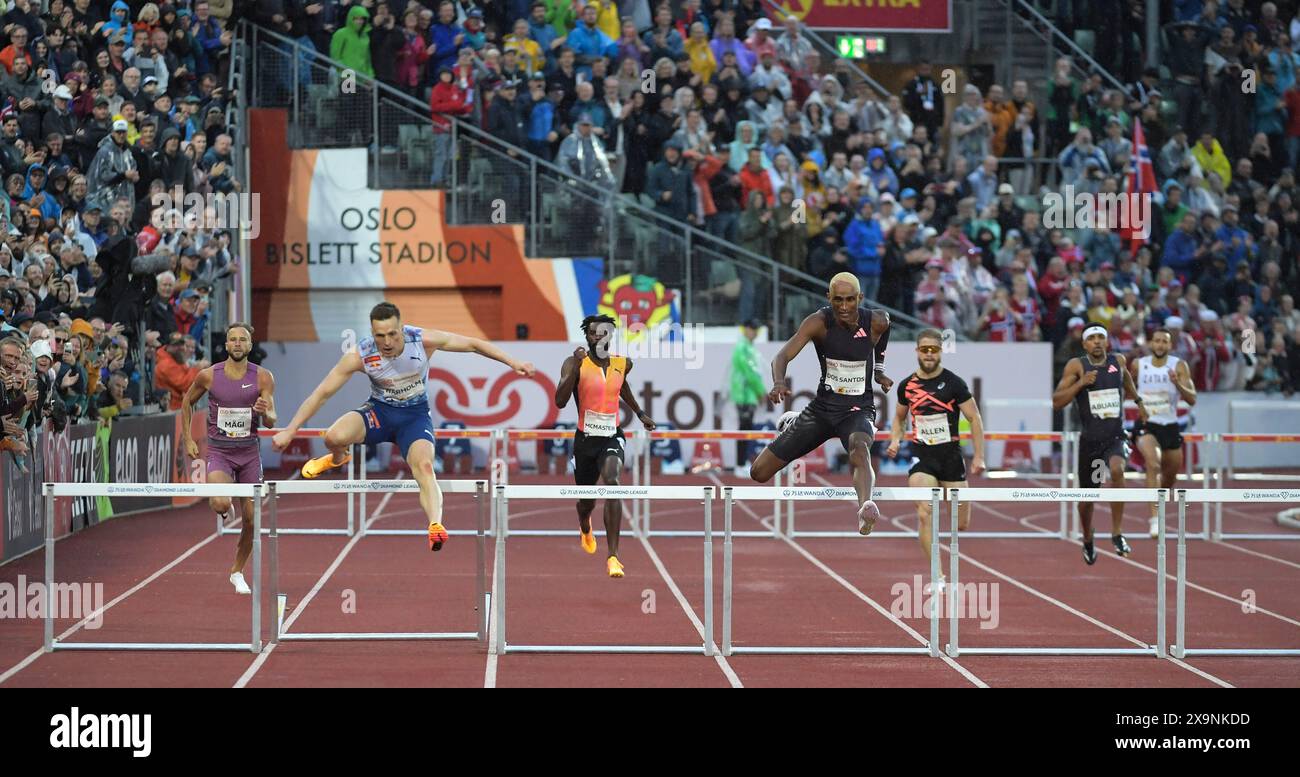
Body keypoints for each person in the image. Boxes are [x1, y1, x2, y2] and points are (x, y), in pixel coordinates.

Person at [271, 303, 535, 552]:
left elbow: (473, 344)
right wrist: (290, 430)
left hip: (414, 418)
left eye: (392, 334)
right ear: (372, 332)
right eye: (379, 335)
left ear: (402, 328)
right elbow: (322, 393)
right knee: (333, 436)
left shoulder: (422, 340)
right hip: (379, 412)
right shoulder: (361, 354)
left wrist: (514, 363)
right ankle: (338, 458)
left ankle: (435, 524)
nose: (386, 342)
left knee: (425, 467)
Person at [750, 272, 892, 534]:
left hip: (858, 410)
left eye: (851, 300)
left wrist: (879, 370)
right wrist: (779, 382)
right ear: (829, 297)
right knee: (758, 473)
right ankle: (794, 421)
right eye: (838, 300)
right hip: (822, 410)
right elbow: (781, 356)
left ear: (860, 298)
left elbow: (883, 336)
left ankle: (865, 508)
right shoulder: (818, 322)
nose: (845, 307)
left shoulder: (877, 321)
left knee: (859, 449)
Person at [553, 315, 656, 578]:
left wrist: (641, 413)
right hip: (585, 440)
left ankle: (613, 556)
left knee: (613, 482)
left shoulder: (624, 363)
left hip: (612, 435)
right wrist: (575, 367)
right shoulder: (574, 362)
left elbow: (623, 389)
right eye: (592, 333)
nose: (598, 337)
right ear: (586, 336)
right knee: (586, 501)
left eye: (603, 333)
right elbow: (560, 401)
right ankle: (585, 525)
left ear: (610, 335)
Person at [886, 329, 986, 592]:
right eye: (925, 349)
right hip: (922, 456)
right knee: (924, 513)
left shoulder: (954, 383)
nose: (929, 354)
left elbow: (974, 417)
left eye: (934, 349)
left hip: (951, 457)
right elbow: (899, 417)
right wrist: (896, 440)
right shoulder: (907, 385)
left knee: (961, 523)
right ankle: (938, 577)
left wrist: (979, 456)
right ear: (917, 351)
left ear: (940, 351)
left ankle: (942, 570)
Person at [180, 323, 275, 595]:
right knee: (220, 502)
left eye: (241, 340)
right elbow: (187, 402)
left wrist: (264, 411)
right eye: (232, 339)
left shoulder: (264, 377)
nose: (236, 344)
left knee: (252, 521)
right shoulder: (209, 376)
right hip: (220, 452)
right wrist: (187, 438)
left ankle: (236, 571)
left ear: (249, 345)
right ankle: (224, 506)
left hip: (248, 454)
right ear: (226, 345)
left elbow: (271, 420)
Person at [1052, 323, 1147, 564]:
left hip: (1115, 436)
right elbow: (1057, 402)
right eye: (1091, 338)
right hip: (1090, 442)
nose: (1096, 342)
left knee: (1117, 470)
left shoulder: (1118, 361)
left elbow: (1125, 378)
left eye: (1100, 338)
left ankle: (1116, 533)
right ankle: (1087, 536)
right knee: (1086, 501)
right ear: (1084, 344)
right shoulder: (1077, 366)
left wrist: (1138, 400)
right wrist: (1081, 383)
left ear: (1107, 342)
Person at [1130, 327, 1197, 537]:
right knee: (1153, 462)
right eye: (1156, 341)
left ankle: (1157, 496)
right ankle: (1154, 519)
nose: (1160, 345)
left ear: (1170, 345)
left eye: (1164, 342)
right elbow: (1126, 385)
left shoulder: (1178, 366)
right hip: (1146, 424)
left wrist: (1177, 383)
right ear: (1151, 343)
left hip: (1170, 425)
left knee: (1170, 475)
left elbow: (1192, 398)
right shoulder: (1139, 365)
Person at [729, 319, 766, 477]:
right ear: (746, 330)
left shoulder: (748, 348)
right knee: (744, 429)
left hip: (747, 394)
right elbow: (750, 373)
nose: (754, 332)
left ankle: (742, 462)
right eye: (752, 329)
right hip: (744, 394)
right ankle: (739, 464)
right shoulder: (743, 348)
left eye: (756, 329)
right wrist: (760, 391)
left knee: (746, 428)